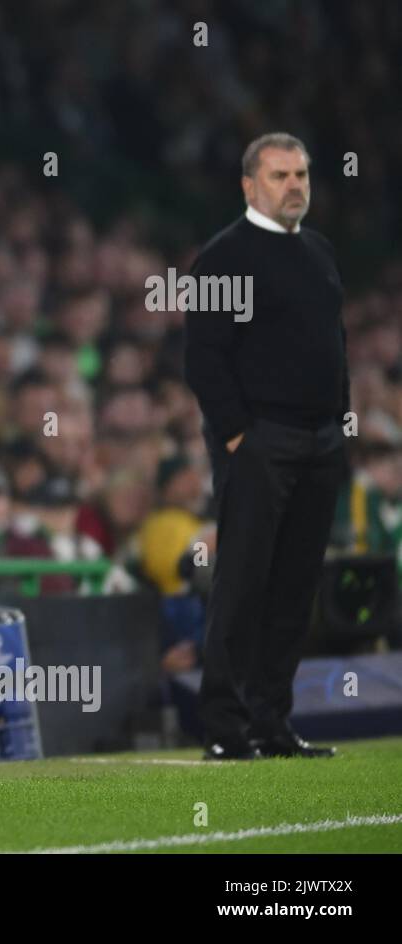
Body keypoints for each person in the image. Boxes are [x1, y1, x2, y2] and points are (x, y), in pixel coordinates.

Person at [184, 132, 347, 760]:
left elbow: (336, 344)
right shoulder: (222, 256)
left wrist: (341, 420)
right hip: (260, 440)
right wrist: (236, 436)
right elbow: (203, 359)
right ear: (249, 185)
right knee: (244, 581)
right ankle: (224, 727)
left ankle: (271, 723)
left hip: (319, 440)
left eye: (302, 174)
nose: (295, 186)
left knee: (296, 586)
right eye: (280, 176)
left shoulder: (321, 251)